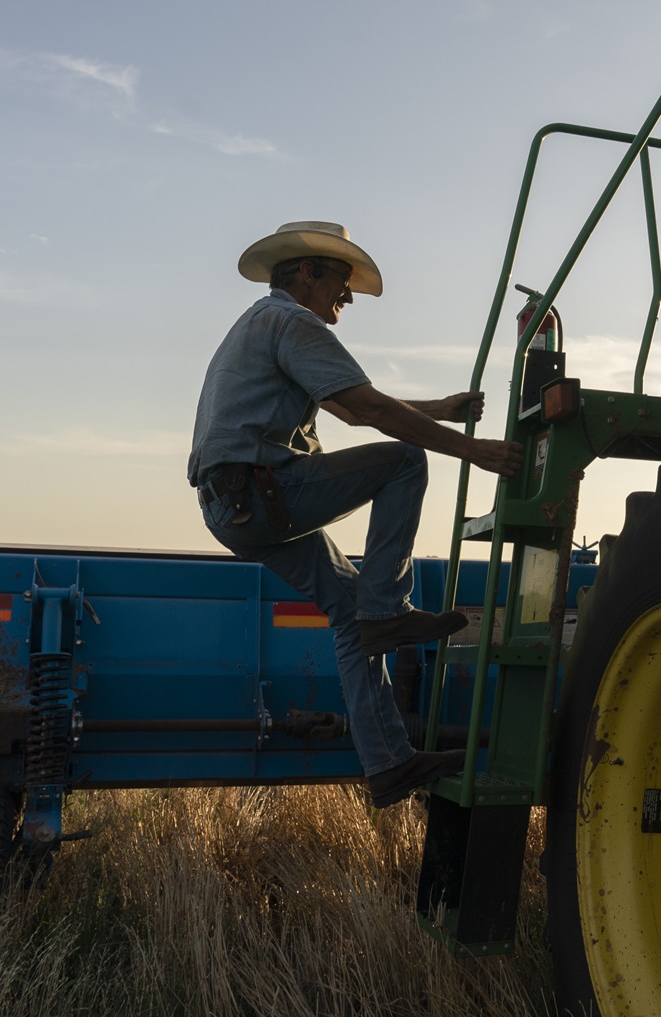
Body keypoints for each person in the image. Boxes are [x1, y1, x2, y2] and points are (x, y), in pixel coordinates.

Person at [189, 221, 523, 808]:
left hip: (232, 506)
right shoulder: (293, 321)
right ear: (306, 273)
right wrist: (475, 451)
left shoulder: (264, 324)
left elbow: (346, 404)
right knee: (404, 463)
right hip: (264, 490)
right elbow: (367, 409)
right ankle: (387, 609)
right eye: (342, 281)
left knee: (348, 617)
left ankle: (390, 764)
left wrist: (439, 409)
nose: (347, 296)